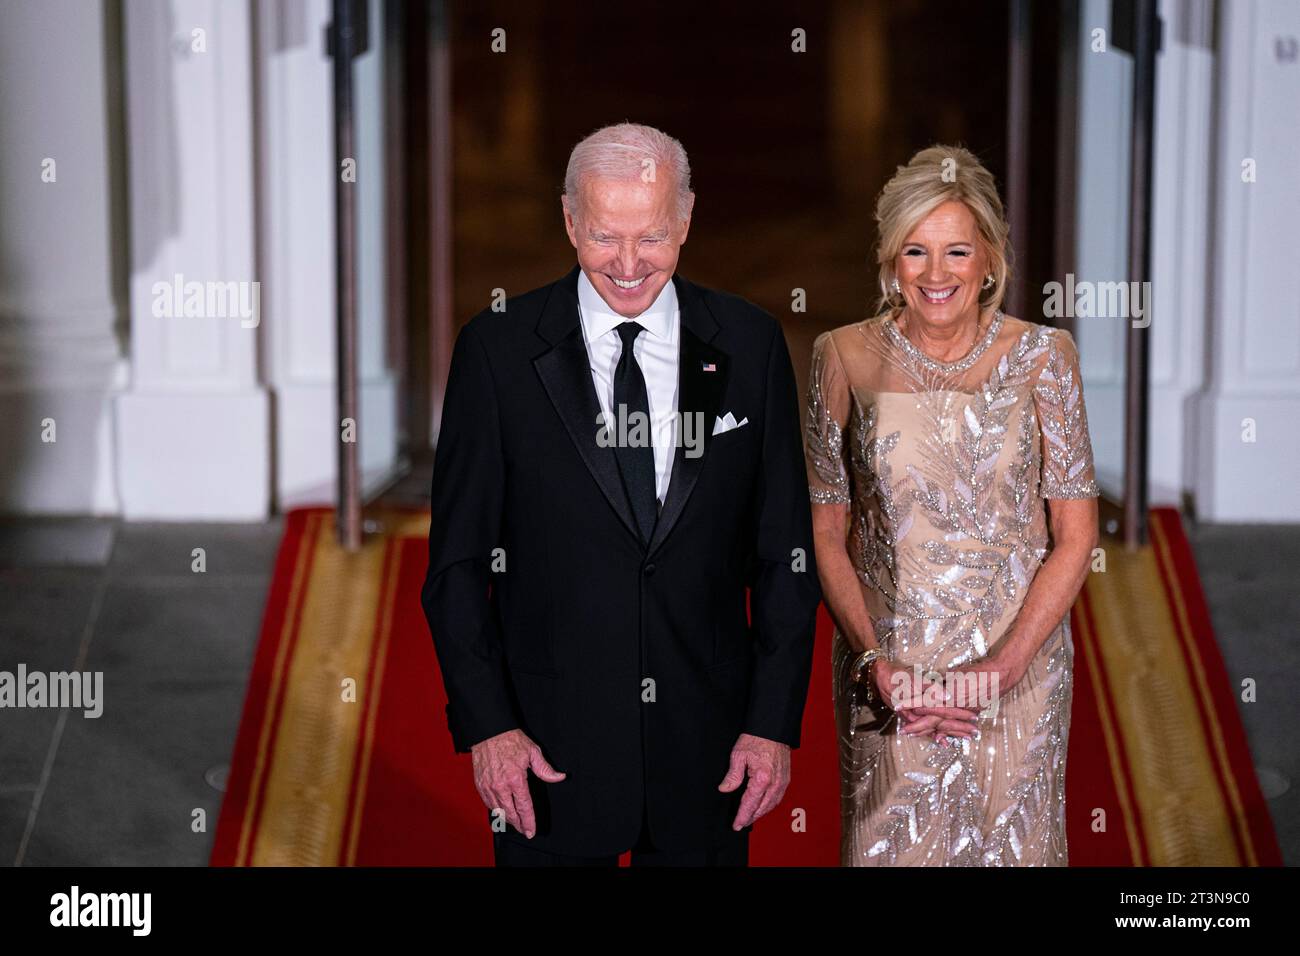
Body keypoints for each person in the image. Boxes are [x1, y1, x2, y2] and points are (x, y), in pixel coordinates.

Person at [422, 122, 820, 866]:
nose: (630, 266)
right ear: (570, 219)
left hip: (709, 752)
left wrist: (772, 724)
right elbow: (455, 567)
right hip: (545, 754)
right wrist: (489, 728)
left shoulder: (751, 345)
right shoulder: (497, 350)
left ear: (688, 219)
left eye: (654, 237)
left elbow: (784, 557)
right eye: (605, 237)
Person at [805, 145, 1100, 866]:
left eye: (957, 251)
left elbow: (1075, 534)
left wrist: (1002, 668)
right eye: (915, 251)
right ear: (889, 260)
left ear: (991, 259)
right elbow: (827, 528)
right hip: (892, 676)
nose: (936, 275)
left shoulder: (1045, 357)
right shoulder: (840, 356)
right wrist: (877, 663)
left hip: (1019, 672)